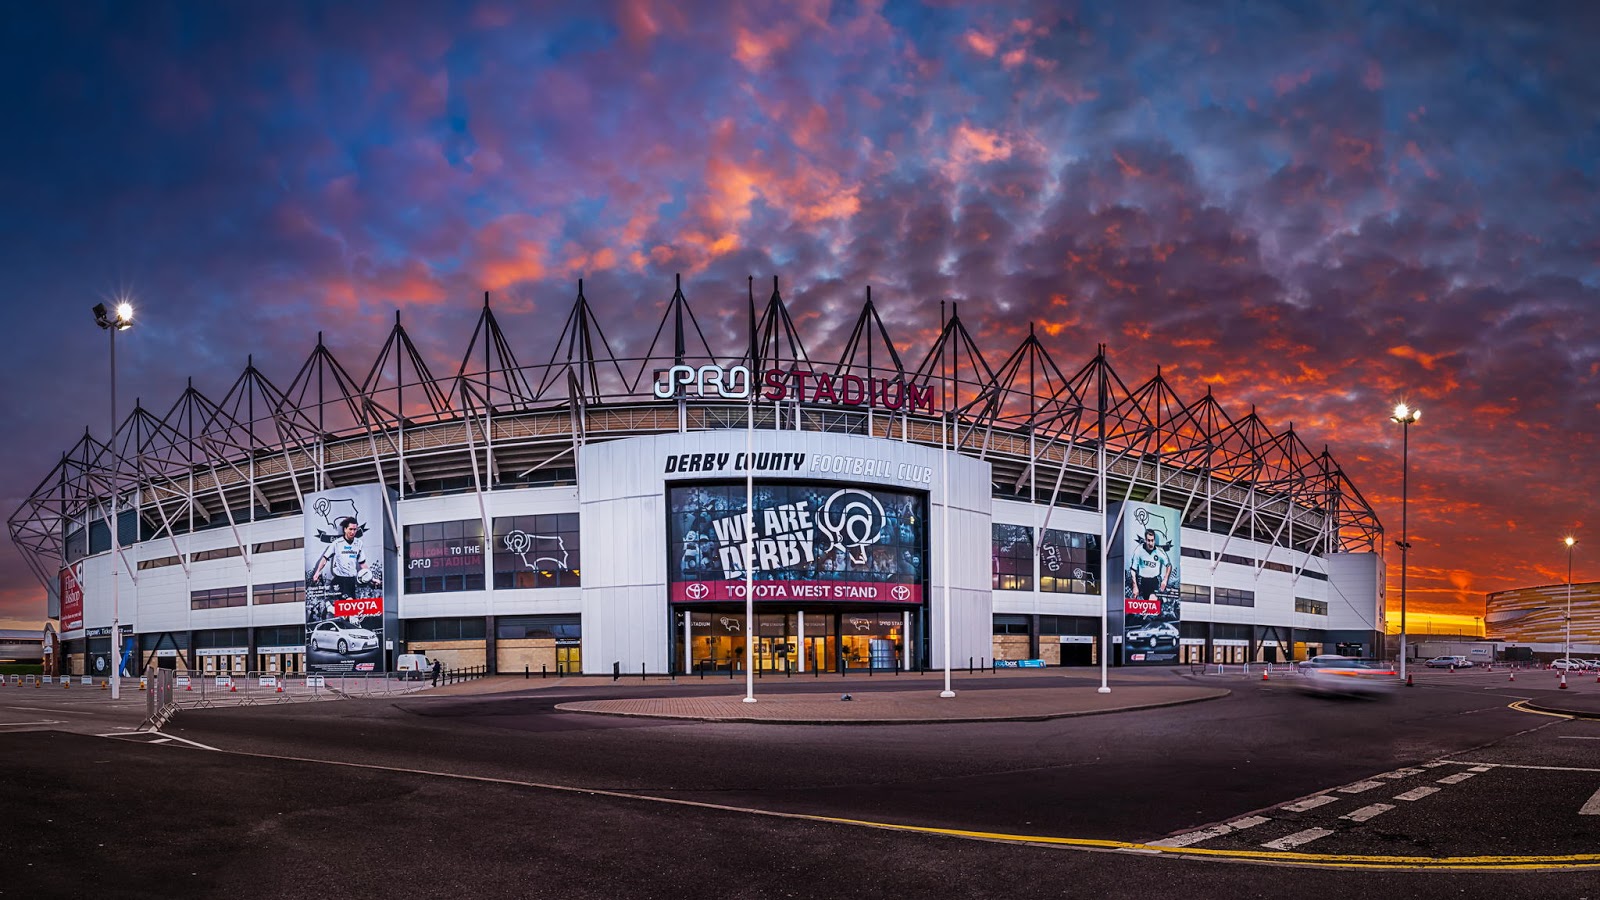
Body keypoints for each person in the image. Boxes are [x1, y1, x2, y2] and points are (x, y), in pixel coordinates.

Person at [309, 517, 371, 603]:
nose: (353, 532)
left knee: (351, 607)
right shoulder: (337, 543)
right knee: (349, 602)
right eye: (350, 529)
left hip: (352, 580)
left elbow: (362, 563)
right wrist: (317, 572)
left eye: (355, 529)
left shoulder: (359, 543)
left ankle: (330, 606)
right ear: (345, 529)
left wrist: (371, 577)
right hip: (340, 580)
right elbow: (325, 558)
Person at [1128, 528, 1171, 600]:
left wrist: (1165, 580)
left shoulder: (1159, 551)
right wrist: (1134, 586)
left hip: (1154, 581)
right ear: (1145, 540)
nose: (1151, 543)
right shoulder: (1139, 550)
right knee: (1141, 602)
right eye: (1148, 540)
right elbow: (1133, 569)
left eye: (1152, 540)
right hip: (1142, 581)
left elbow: (1168, 565)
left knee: (1152, 600)